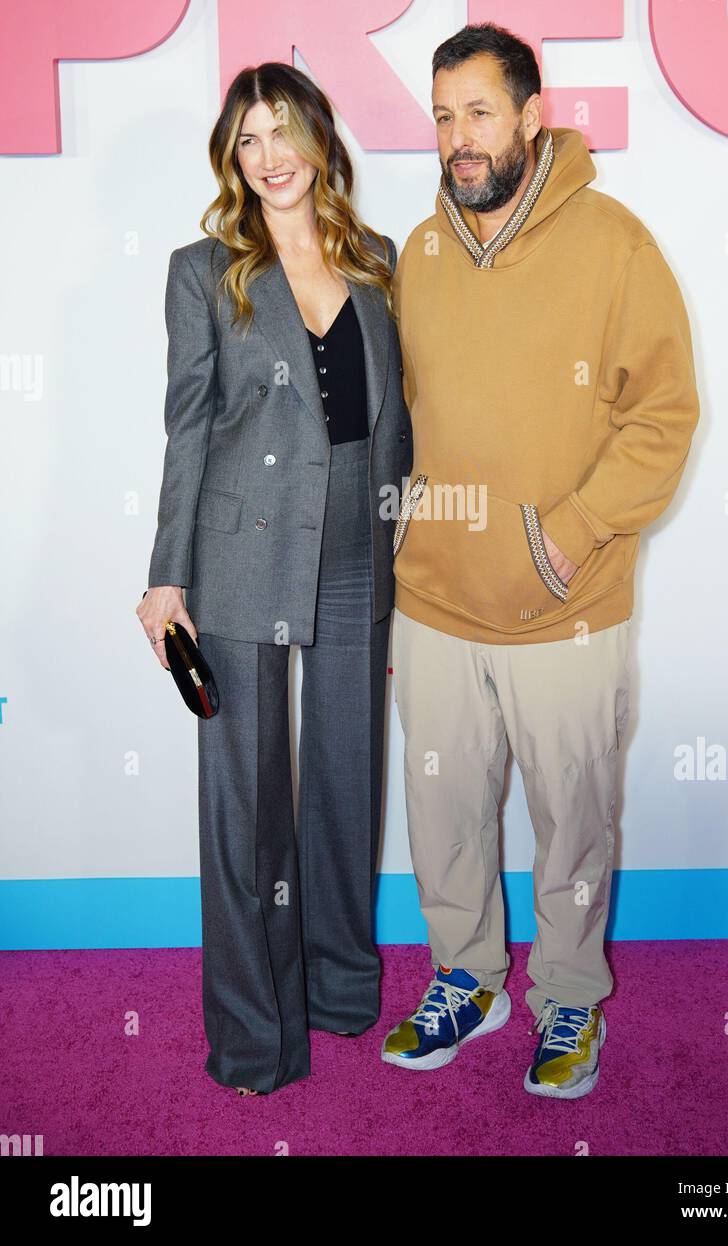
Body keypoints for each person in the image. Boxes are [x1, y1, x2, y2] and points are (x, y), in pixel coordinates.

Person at [382, 22, 700, 1098]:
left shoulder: (614, 242)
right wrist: (396, 561)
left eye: (477, 112)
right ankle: (464, 979)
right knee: (443, 818)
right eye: (441, 116)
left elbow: (662, 415)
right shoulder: (414, 256)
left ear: (528, 114)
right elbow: (401, 423)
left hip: (568, 605)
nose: (457, 138)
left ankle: (566, 996)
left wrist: (568, 528)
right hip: (432, 605)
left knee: (572, 819)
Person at [136, 62, 412, 1095]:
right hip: (240, 546)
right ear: (232, 157)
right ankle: (255, 1038)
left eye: (284, 130)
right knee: (244, 802)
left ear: (317, 138)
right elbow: (189, 423)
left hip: (353, 548)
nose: (270, 156)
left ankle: (341, 991)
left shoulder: (377, 258)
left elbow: (399, 420)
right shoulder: (202, 269)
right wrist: (168, 577)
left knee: (345, 778)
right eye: (248, 140)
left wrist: (406, 537)